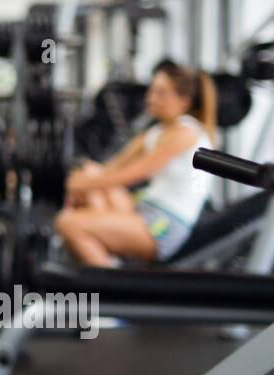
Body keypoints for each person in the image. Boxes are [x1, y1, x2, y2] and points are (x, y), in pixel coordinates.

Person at [54, 61, 216, 267]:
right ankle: (106, 254)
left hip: (164, 224)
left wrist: (80, 185)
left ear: (183, 101)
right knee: (90, 171)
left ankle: (114, 286)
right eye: (152, 91)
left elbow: (135, 173)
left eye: (161, 94)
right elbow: (111, 168)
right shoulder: (157, 132)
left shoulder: (187, 133)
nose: (150, 98)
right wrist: (80, 180)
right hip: (143, 208)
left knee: (68, 224)